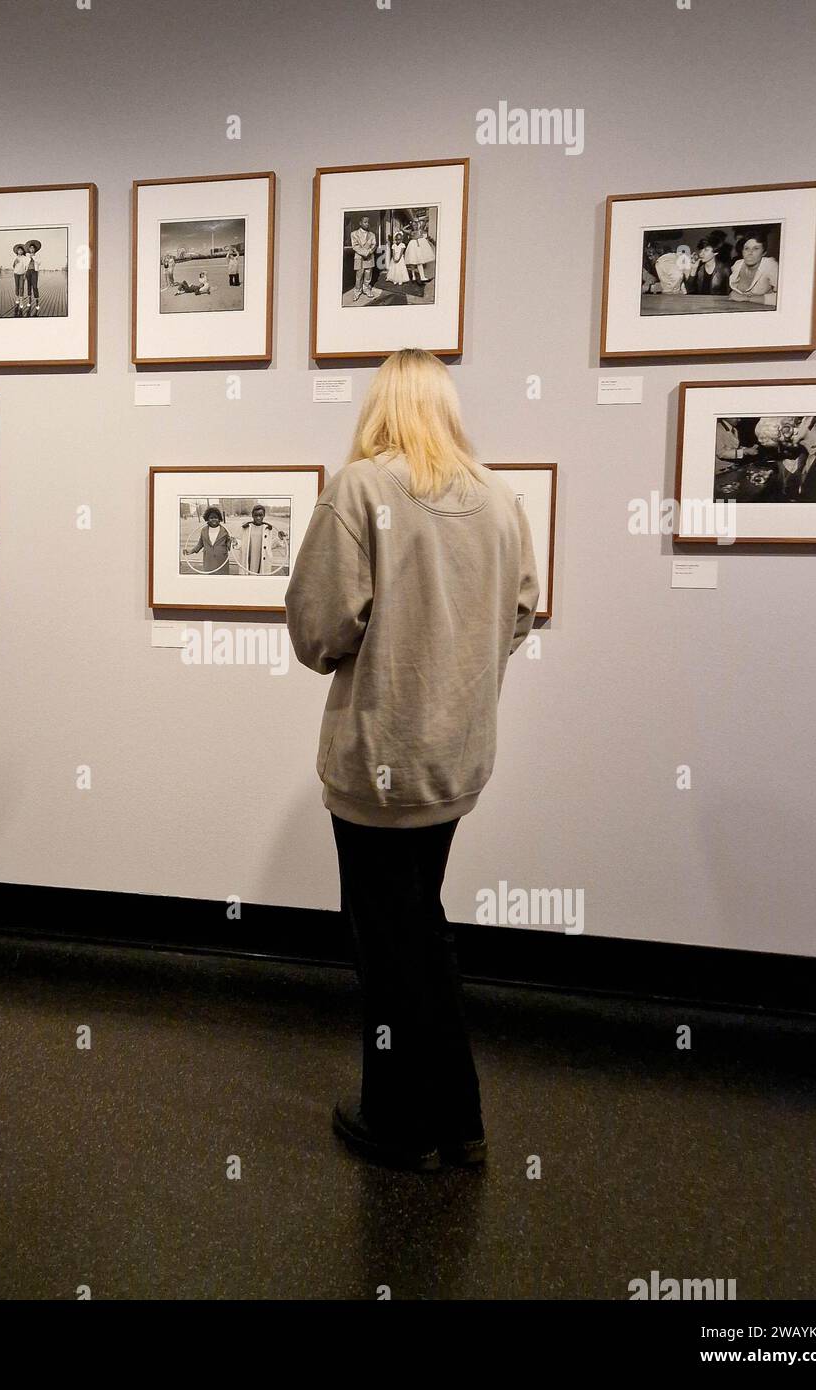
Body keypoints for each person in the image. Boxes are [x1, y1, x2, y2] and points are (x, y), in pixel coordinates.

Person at [285, 347, 539, 1173]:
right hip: (457, 758)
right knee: (415, 927)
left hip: (379, 760)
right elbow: (524, 610)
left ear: (381, 406)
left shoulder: (359, 489)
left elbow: (321, 632)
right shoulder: (500, 498)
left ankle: (409, 1119)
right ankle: (450, 1115)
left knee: (393, 944)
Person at [184, 506, 237, 573]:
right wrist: (191, 551)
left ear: (219, 519)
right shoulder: (204, 530)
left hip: (221, 560)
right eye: (211, 518)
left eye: (216, 517)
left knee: (222, 579)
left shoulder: (225, 530)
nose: (214, 519)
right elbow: (200, 544)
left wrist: (233, 542)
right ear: (207, 519)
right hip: (208, 560)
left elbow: (229, 546)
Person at [240, 504, 288, 576]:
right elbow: (241, 543)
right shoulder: (246, 527)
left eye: (260, 515)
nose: (258, 518)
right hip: (249, 558)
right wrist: (234, 542)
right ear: (252, 515)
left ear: (264, 515)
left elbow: (269, 545)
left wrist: (279, 538)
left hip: (263, 560)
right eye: (256, 515)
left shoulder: (268, 528)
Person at [729, 236, 779, 303]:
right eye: (746, 248)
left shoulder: (770, 265)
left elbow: (784, 297)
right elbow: (734, 294)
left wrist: (747, 298)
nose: (750, 253)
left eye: (756, 248)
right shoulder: (737, 265)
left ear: (764, 253)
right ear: (742, 252)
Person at [350, 216, 378, 300]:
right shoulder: (354, 234)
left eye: (368, 222)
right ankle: (357, 291)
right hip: (359, 257)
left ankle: (366, 289)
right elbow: (355, 246)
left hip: (369, 257)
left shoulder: (372, 234)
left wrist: (369, 252)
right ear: (360, 223)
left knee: (368, 274)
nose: (367, 224)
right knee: (359, 275)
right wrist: (365, 253)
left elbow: (374, 245)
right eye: (365, 222)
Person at [403, 212, 435, 285]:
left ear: (417, 225)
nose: (415, 226)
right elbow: (403, 229)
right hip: (412, 246)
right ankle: (413, 276)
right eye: (413, 225)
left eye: (416, 225)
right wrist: (409, 224)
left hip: (419, 246)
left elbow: (425, 220)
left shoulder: (420, 230)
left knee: (419, 262)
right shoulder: (410, 231)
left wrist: (419, 219)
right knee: (412, 262)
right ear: (412, 226)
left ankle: (422, 277)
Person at [11, 243, 31, 315]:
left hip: (22, 274)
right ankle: (17, 299)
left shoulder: (25, 258)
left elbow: (26, 266)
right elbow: (13, 266)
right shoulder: (16, 258)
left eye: (21, 250)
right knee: (16, 287)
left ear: (23, 251)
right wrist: (14, 262)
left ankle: (21, 301)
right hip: (16, 273)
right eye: (19, 250)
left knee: (21, 288)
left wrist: (25, 274)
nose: (20, 251)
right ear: (17, 251)